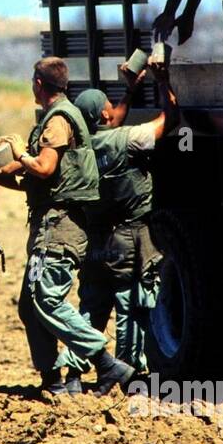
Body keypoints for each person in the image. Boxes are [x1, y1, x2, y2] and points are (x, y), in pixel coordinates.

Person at [0, 58, 135, 398]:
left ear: (39, 84)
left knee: (47, 299)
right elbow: (42, 179)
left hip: (58, 227)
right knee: (30, 306)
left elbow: (43, 167)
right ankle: (54, 379)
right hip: (52, 222)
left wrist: (18, 153)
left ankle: (104, 361)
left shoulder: (57, 120)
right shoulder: (64, 117)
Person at [75, 57, 180, 375]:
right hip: (129, 239)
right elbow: (169, 120)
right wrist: (162, 82)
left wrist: (129, 93)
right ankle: (125, 369)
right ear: (104, 114)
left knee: (91, 305)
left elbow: (111, 124)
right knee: (131, 303)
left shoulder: (78, 150)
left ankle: (75, 370)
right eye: (110, 105)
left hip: (94, 240)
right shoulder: (128, 140)